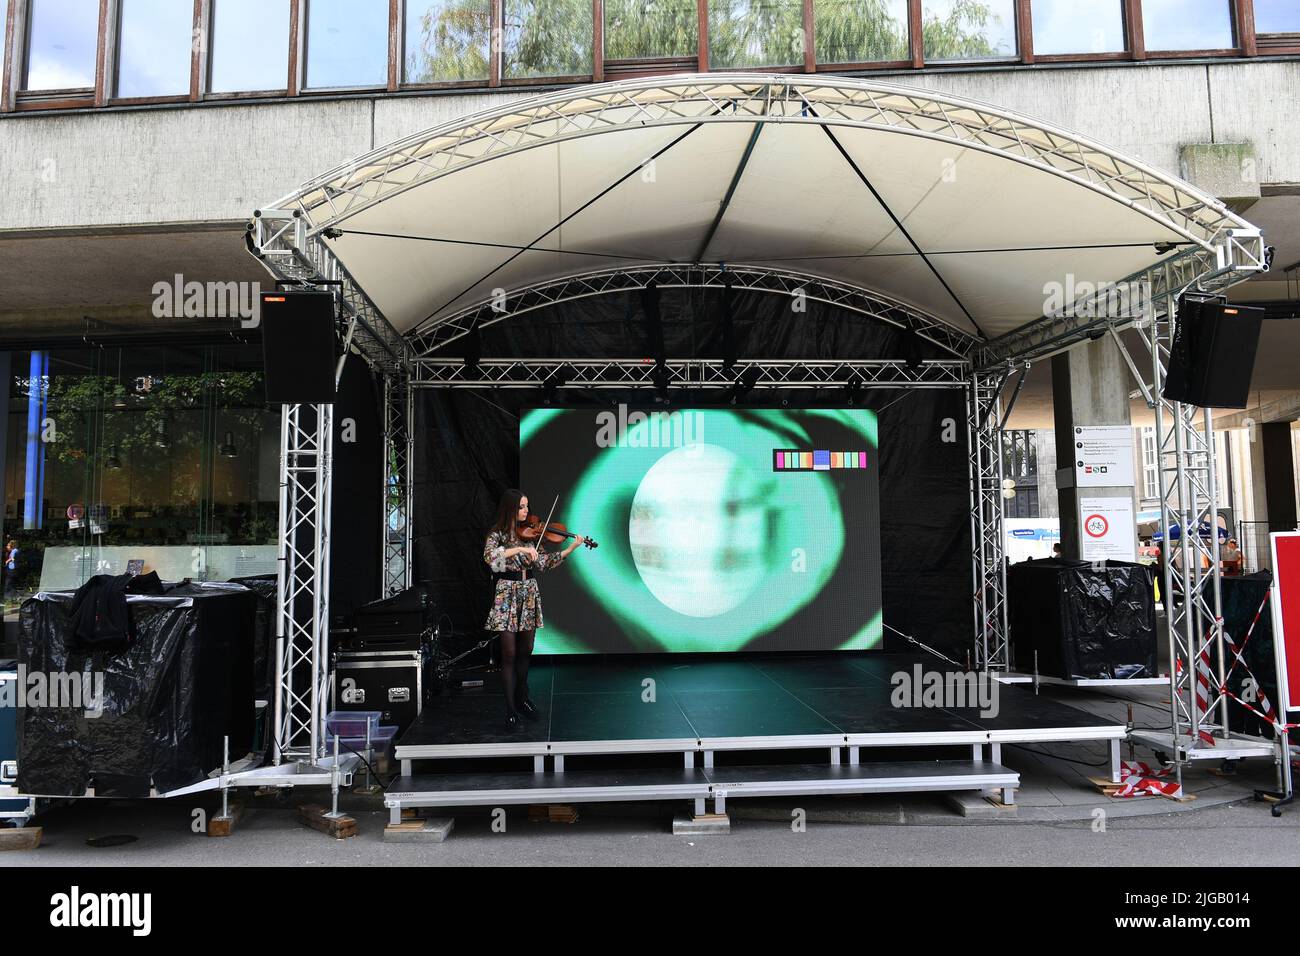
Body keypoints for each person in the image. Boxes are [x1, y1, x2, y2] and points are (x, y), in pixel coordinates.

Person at [483, 489, 586, 731]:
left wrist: (571, 549)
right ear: (510, 508)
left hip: (528, 591)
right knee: (508, 653)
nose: (527, 512)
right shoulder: (497, 534)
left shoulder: (532, 536)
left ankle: (522, 698)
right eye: (522, 507)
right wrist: (518, 549)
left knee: (526, 649)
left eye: (527, 506)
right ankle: (510, 708)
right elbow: (491, 559)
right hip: (506, 592)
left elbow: (542, 563)